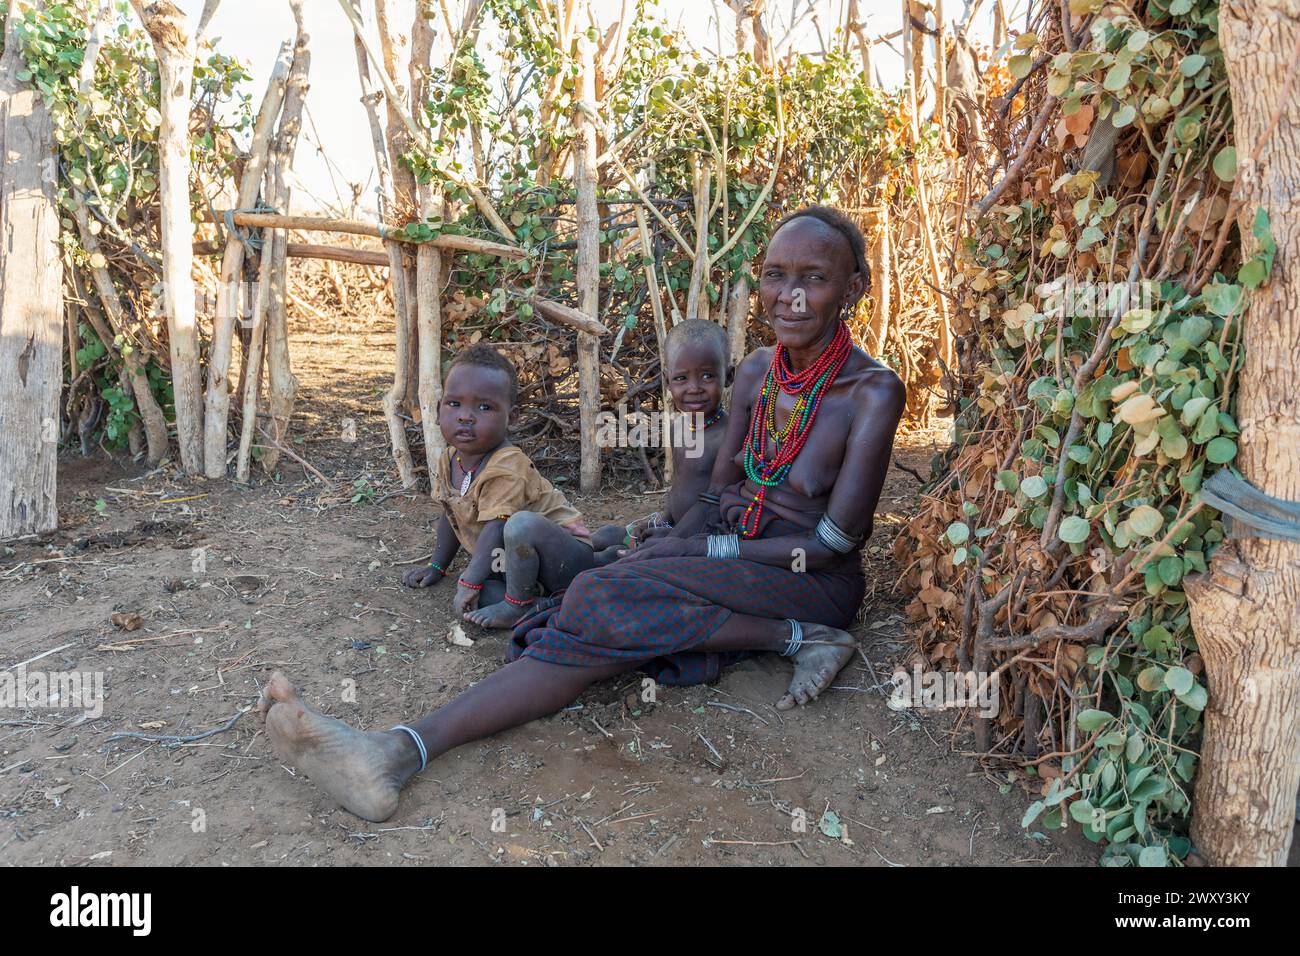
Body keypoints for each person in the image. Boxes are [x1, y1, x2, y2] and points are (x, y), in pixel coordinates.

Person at [258, 205, 906, 822]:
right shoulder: (760, 371)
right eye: (775, 275)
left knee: (599, 592)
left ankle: (804, 634)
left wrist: (698, 554)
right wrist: (668, 546)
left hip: (808, 580)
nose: (789, 296)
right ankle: (395, 753)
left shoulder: (873, 391)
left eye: (814, 279)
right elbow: (714, 498)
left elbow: (829, 542)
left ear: (852, 287)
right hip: (728, 551)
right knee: (607, 601)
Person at [401, 344, 594, 629]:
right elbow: (451, 514)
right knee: (482, 595)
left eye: (484, 407)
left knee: (519, 525)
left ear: (511, 417)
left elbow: (496, 527)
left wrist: (469, 579)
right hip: (518, 566)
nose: (466, 416)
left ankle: (519, 607)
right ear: (440, 406)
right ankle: (543, 604)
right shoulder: (448, 459)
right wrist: (437, 566)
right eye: (454, 404)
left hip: (564, 560)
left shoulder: (507, 465)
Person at [590, 318, 732, 562]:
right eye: (681, 379)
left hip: (699, 538)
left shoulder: (728, 437)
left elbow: (714, 506)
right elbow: (679, 487)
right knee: (606, 535)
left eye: (708, 376)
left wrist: (672, 538)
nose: (694, 388)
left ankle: (569, 576)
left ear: (728, 376)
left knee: (613, 555)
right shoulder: (679, 427)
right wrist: (663, 518)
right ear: (667, 381)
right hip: (672, 525)